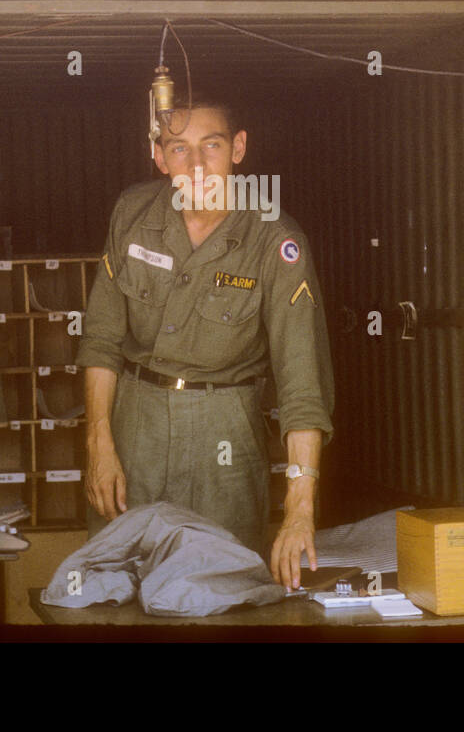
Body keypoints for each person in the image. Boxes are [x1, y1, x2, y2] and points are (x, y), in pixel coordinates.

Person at [74, 100, 335, 591]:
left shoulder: (275, 239)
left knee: (221, 589)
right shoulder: (132, 213)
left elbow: (302, 385)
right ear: (159, 157)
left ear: (238, 148)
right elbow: (102, 340)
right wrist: (98, 444)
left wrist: (300, 508)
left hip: (225, 434)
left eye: (211, 146)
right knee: (115, 586)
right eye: (179, 149)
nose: (196, 165)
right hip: (135, 429)